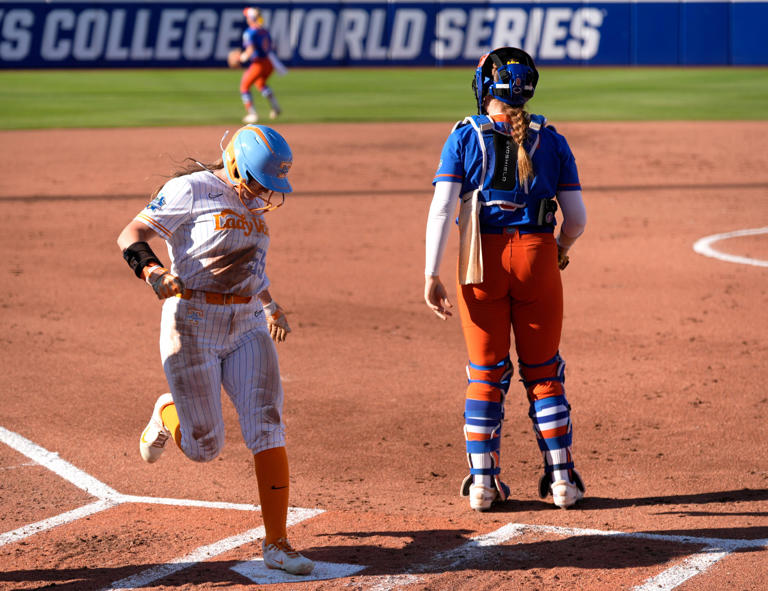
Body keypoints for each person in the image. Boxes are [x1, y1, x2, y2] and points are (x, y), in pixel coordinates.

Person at [116, 124, 313, 575]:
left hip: (246, 325)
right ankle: (168, 412)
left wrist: (269, 305)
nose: (266, 193)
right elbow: (131, 233)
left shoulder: (249, 204)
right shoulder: (191, 189)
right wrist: (153, 273)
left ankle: (278, 543)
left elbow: (247, 265)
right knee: (205, 447)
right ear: (237, 164)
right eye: (260, 180)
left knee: (267, 423)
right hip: (192, 322)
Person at [424, 47, 587, 512]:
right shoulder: (551, 140)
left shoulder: (462, 136)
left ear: (486, 89)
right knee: (543, 373)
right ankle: (561, 482)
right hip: (537, 256)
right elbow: (575, 218)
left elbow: (442, 209)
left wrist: (431, 273)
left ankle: (483, 483)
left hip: (479, 261)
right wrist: (560, 249)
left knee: (486, 375)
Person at [238, 7, 286, 124]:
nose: (246, 19)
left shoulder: (250, 32)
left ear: (251, 18)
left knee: (244, 86)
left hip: (259, 63)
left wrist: (241, 57)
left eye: (247, 17)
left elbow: (250, 50)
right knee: (260, 84)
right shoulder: (264, 31)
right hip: (269, 63)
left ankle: (252, 114)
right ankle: (275, 107)